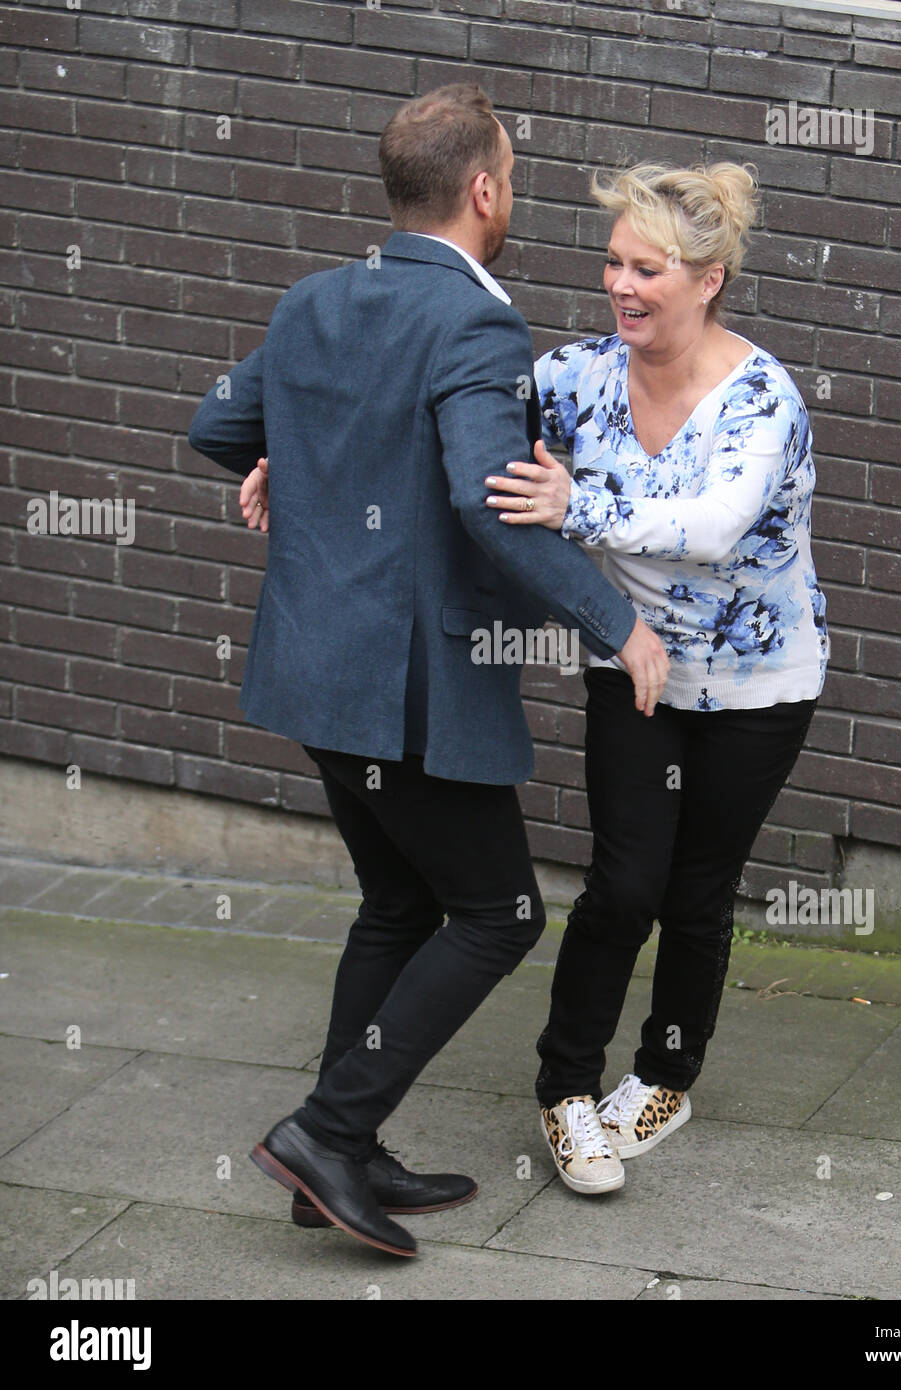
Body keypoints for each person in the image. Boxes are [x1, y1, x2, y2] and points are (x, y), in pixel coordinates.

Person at [187, 85, 668, 1256]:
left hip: (314, 673)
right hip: (401, 690)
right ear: (485, 190)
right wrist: (620, 625)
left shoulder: (315, 299)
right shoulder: (476, 326)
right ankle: (325, 1131)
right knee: (499, 909)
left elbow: (217, 426)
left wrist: (284, 464)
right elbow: (487, 502)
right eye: (514, 175)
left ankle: (346, 1146)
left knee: (401, 903)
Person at [483, 162, 829, 1194]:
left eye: (648, 269)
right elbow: (454, 424)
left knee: (698, 891)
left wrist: (572, 508)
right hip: (634, 671)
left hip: (763, 686)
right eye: (614, 264)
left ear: (710, 278)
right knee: (625, 883)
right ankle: (565, 1089)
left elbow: (711, 529)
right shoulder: (575, 378)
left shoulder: (760, 397)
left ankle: (667, 1074)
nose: (621, 286)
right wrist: (300, 454)